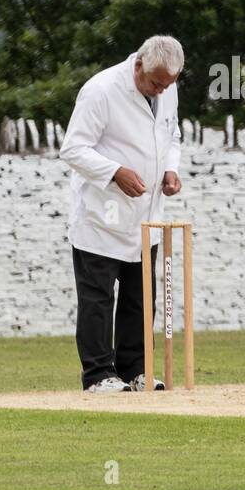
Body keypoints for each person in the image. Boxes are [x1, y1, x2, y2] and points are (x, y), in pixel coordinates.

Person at [59, 35, 184, 392]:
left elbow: (171, 134)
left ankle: (136, 370)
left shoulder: (166, 88)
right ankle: (98, 375)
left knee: (141, 297)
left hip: (146, 215)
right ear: (140, 64)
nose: (161, 91)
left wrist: (170, 170)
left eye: (169, 84)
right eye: (156, 83)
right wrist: (115, 172)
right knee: (98, 297)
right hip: (101, 215)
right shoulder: (101, 90)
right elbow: (73, 149)